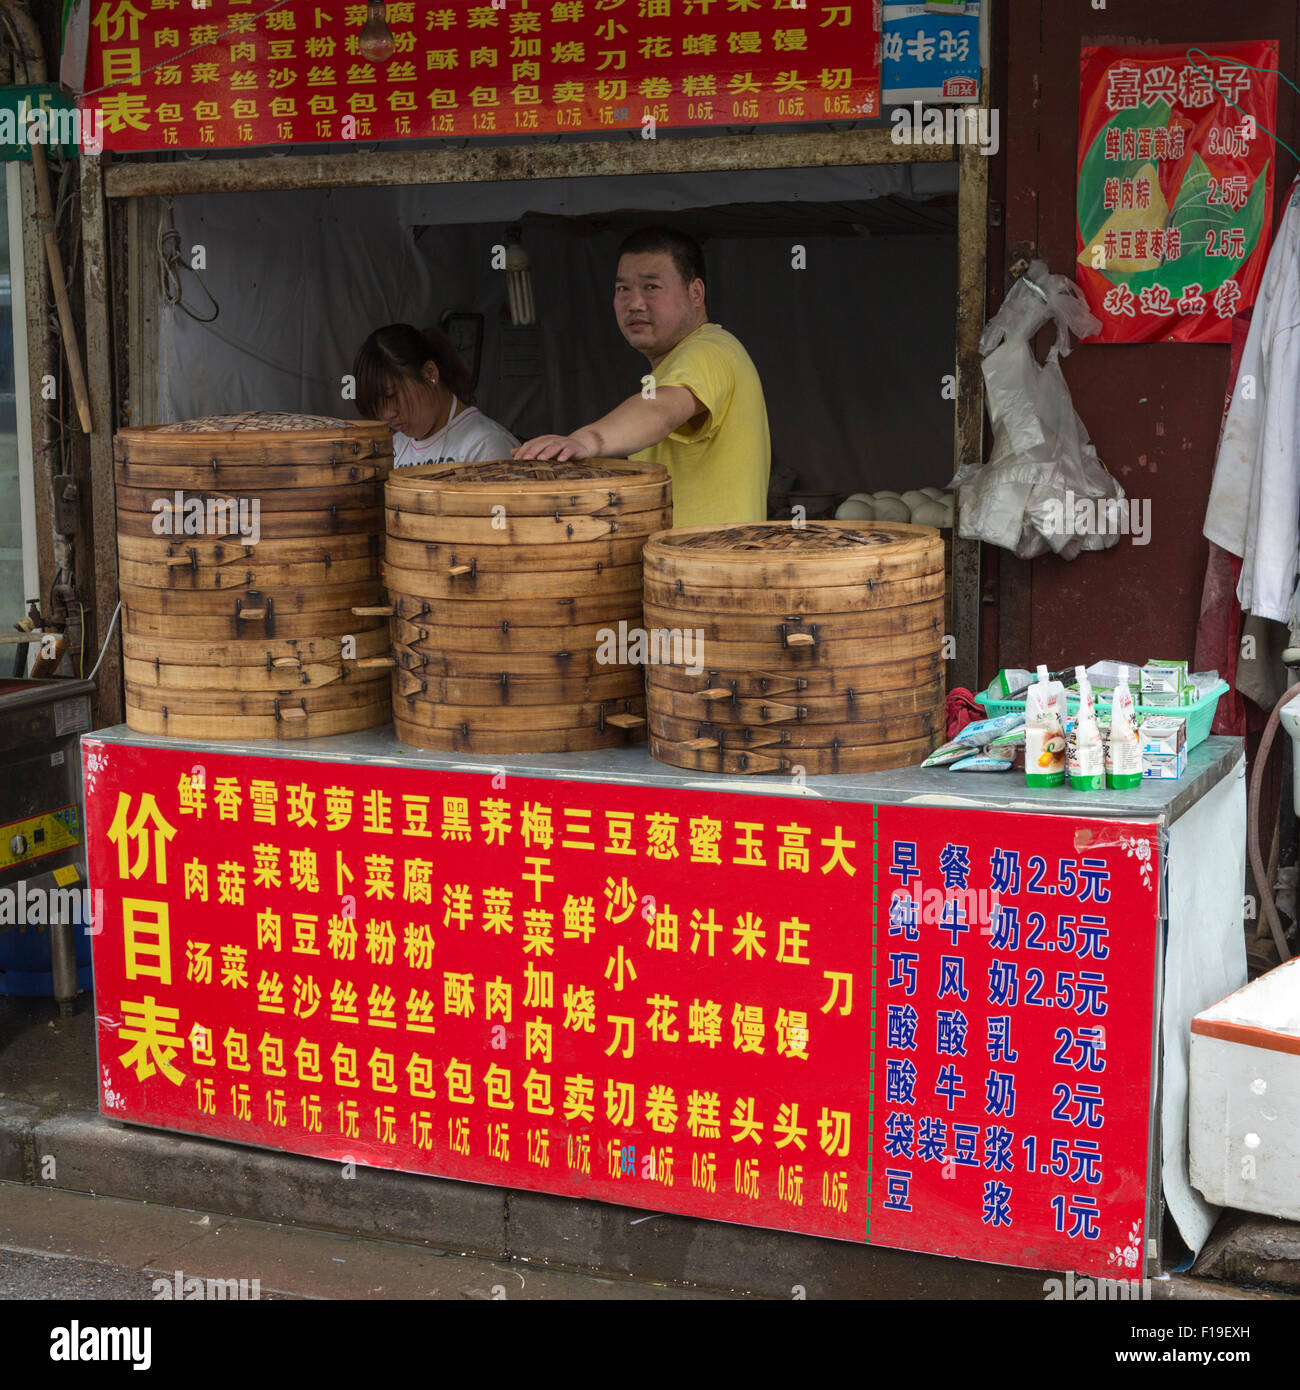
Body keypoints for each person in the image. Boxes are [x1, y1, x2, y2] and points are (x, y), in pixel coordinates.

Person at [513, 227, 770, 527]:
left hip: (709, 570)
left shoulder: (709, 350)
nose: (634, 303)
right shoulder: (674, 365)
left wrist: (585, 441)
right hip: (683, 569)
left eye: (651, 287)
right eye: (623, 289)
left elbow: (661, 409)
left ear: (695, 293)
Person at [354, 323, 519, 466]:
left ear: (429, 374)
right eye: (377, 404)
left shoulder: (487, 446)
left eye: (391, 396)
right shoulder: (394, 448)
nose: (387, 414)